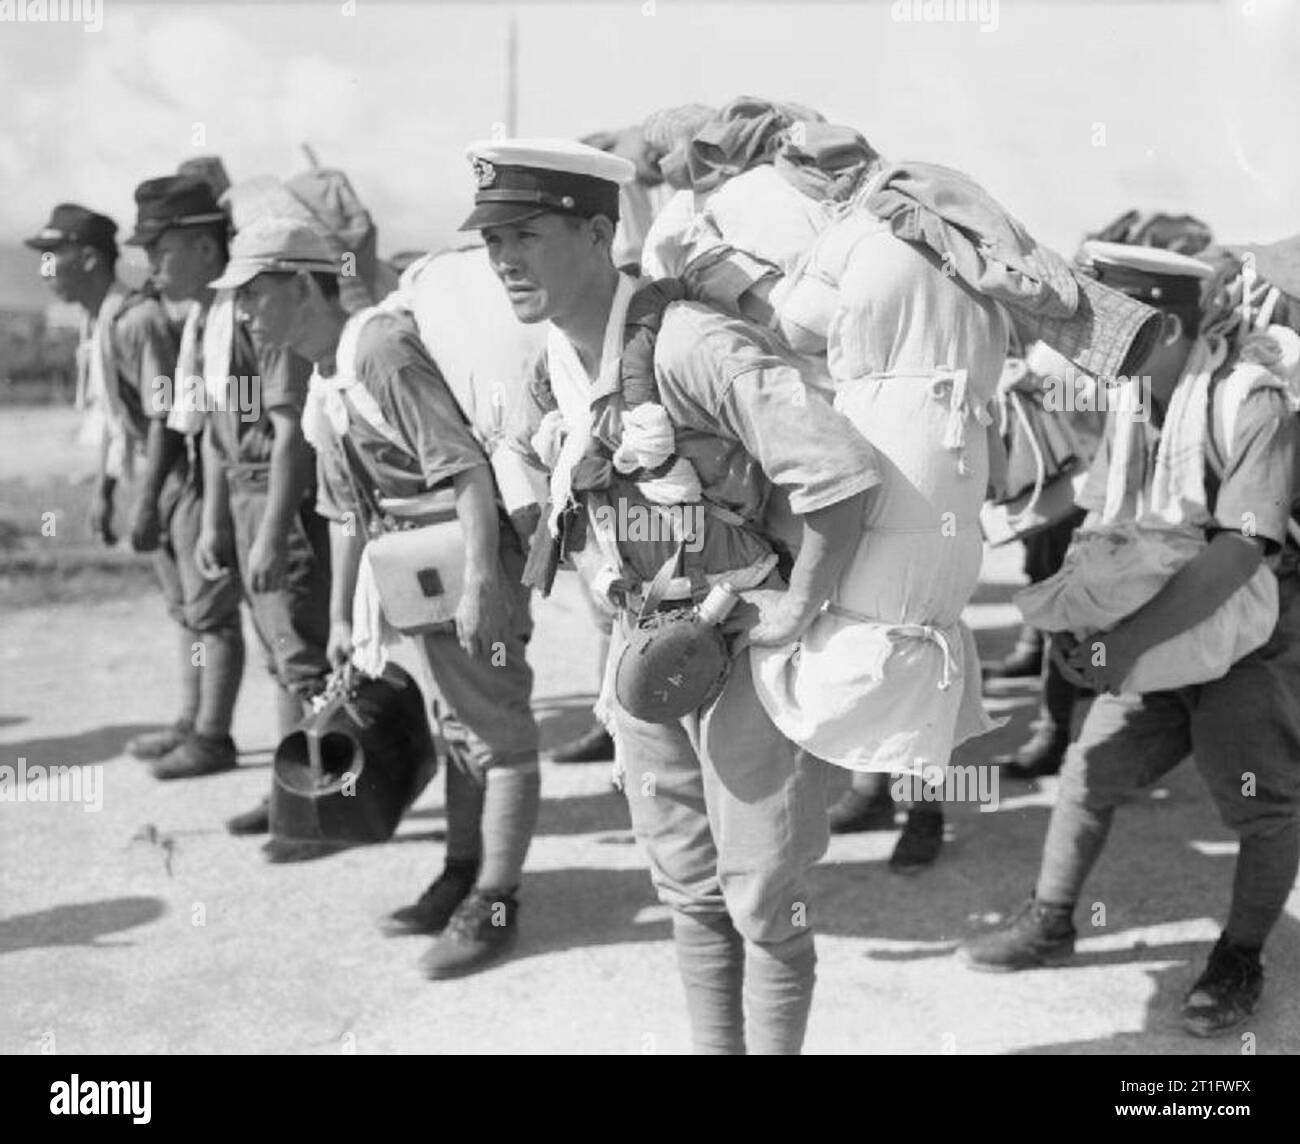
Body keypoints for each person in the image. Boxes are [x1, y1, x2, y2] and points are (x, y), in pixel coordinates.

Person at [464, 139, 877, 1053]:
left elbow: (839, 476)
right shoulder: (553, 371)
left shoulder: (691, 342)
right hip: (646, 663)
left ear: (599, 231)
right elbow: (572, 505)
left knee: (764, 894)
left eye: (527, 234)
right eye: (493, 242)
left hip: (743, 657)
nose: (505, 260)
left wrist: (795, 607)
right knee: (687, 889)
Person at [959, 241, 1300, 1038]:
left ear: (1168, 332)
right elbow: (1106, 529)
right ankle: (1051, 920)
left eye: (1113, 335)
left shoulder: (1252, 403)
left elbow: (1239, 550)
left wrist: (1121, 648)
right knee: (1091, 771)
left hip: (1252, 637)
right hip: (1156, 632)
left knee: (1265, 806)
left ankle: (1240, 957)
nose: (1096, 354)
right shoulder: (1134, 401)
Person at [216, 217, 541, 977]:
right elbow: (342, 513)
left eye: (255, 294)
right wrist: (337, 618)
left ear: (302, 284)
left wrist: (488, 585)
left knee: (500, 738)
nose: (244, 312)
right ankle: (463, 873)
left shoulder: (377, 349)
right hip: (413, 574)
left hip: (463, 564)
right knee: (460, 729)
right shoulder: (327, 375)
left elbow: (462, 471)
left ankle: (496, 903)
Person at [119, 176, 251, 780]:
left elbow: (231, 430)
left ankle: (212, 734)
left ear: (204, 247)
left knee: (219, 616)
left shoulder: (238, 312)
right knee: (197, 614)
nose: (151, 267)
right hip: (209, 481)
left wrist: (216, 518)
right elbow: (191, 415)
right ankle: (196, 720)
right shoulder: (204, 316)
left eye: (161, 251)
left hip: (235, 489)